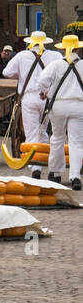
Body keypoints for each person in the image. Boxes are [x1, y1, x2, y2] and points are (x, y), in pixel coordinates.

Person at [3, 31, 62, 174]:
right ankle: (47, 161)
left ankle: (35, 167)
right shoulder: (56, 56)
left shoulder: (22, 55)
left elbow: (6, 72)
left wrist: (22, 74)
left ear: (30, 43)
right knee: (43, 130)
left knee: (31, 132)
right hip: (47, 97)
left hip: (29, 96)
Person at [37, 33, 83, 190]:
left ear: (64, 50)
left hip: (58, 105)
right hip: (79, 106)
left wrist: (44, 92)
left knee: (57, 138)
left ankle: (54, 173)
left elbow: (42, 80)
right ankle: (75, 176)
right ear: (78, 49)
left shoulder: (56, 65)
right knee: (76, 142)